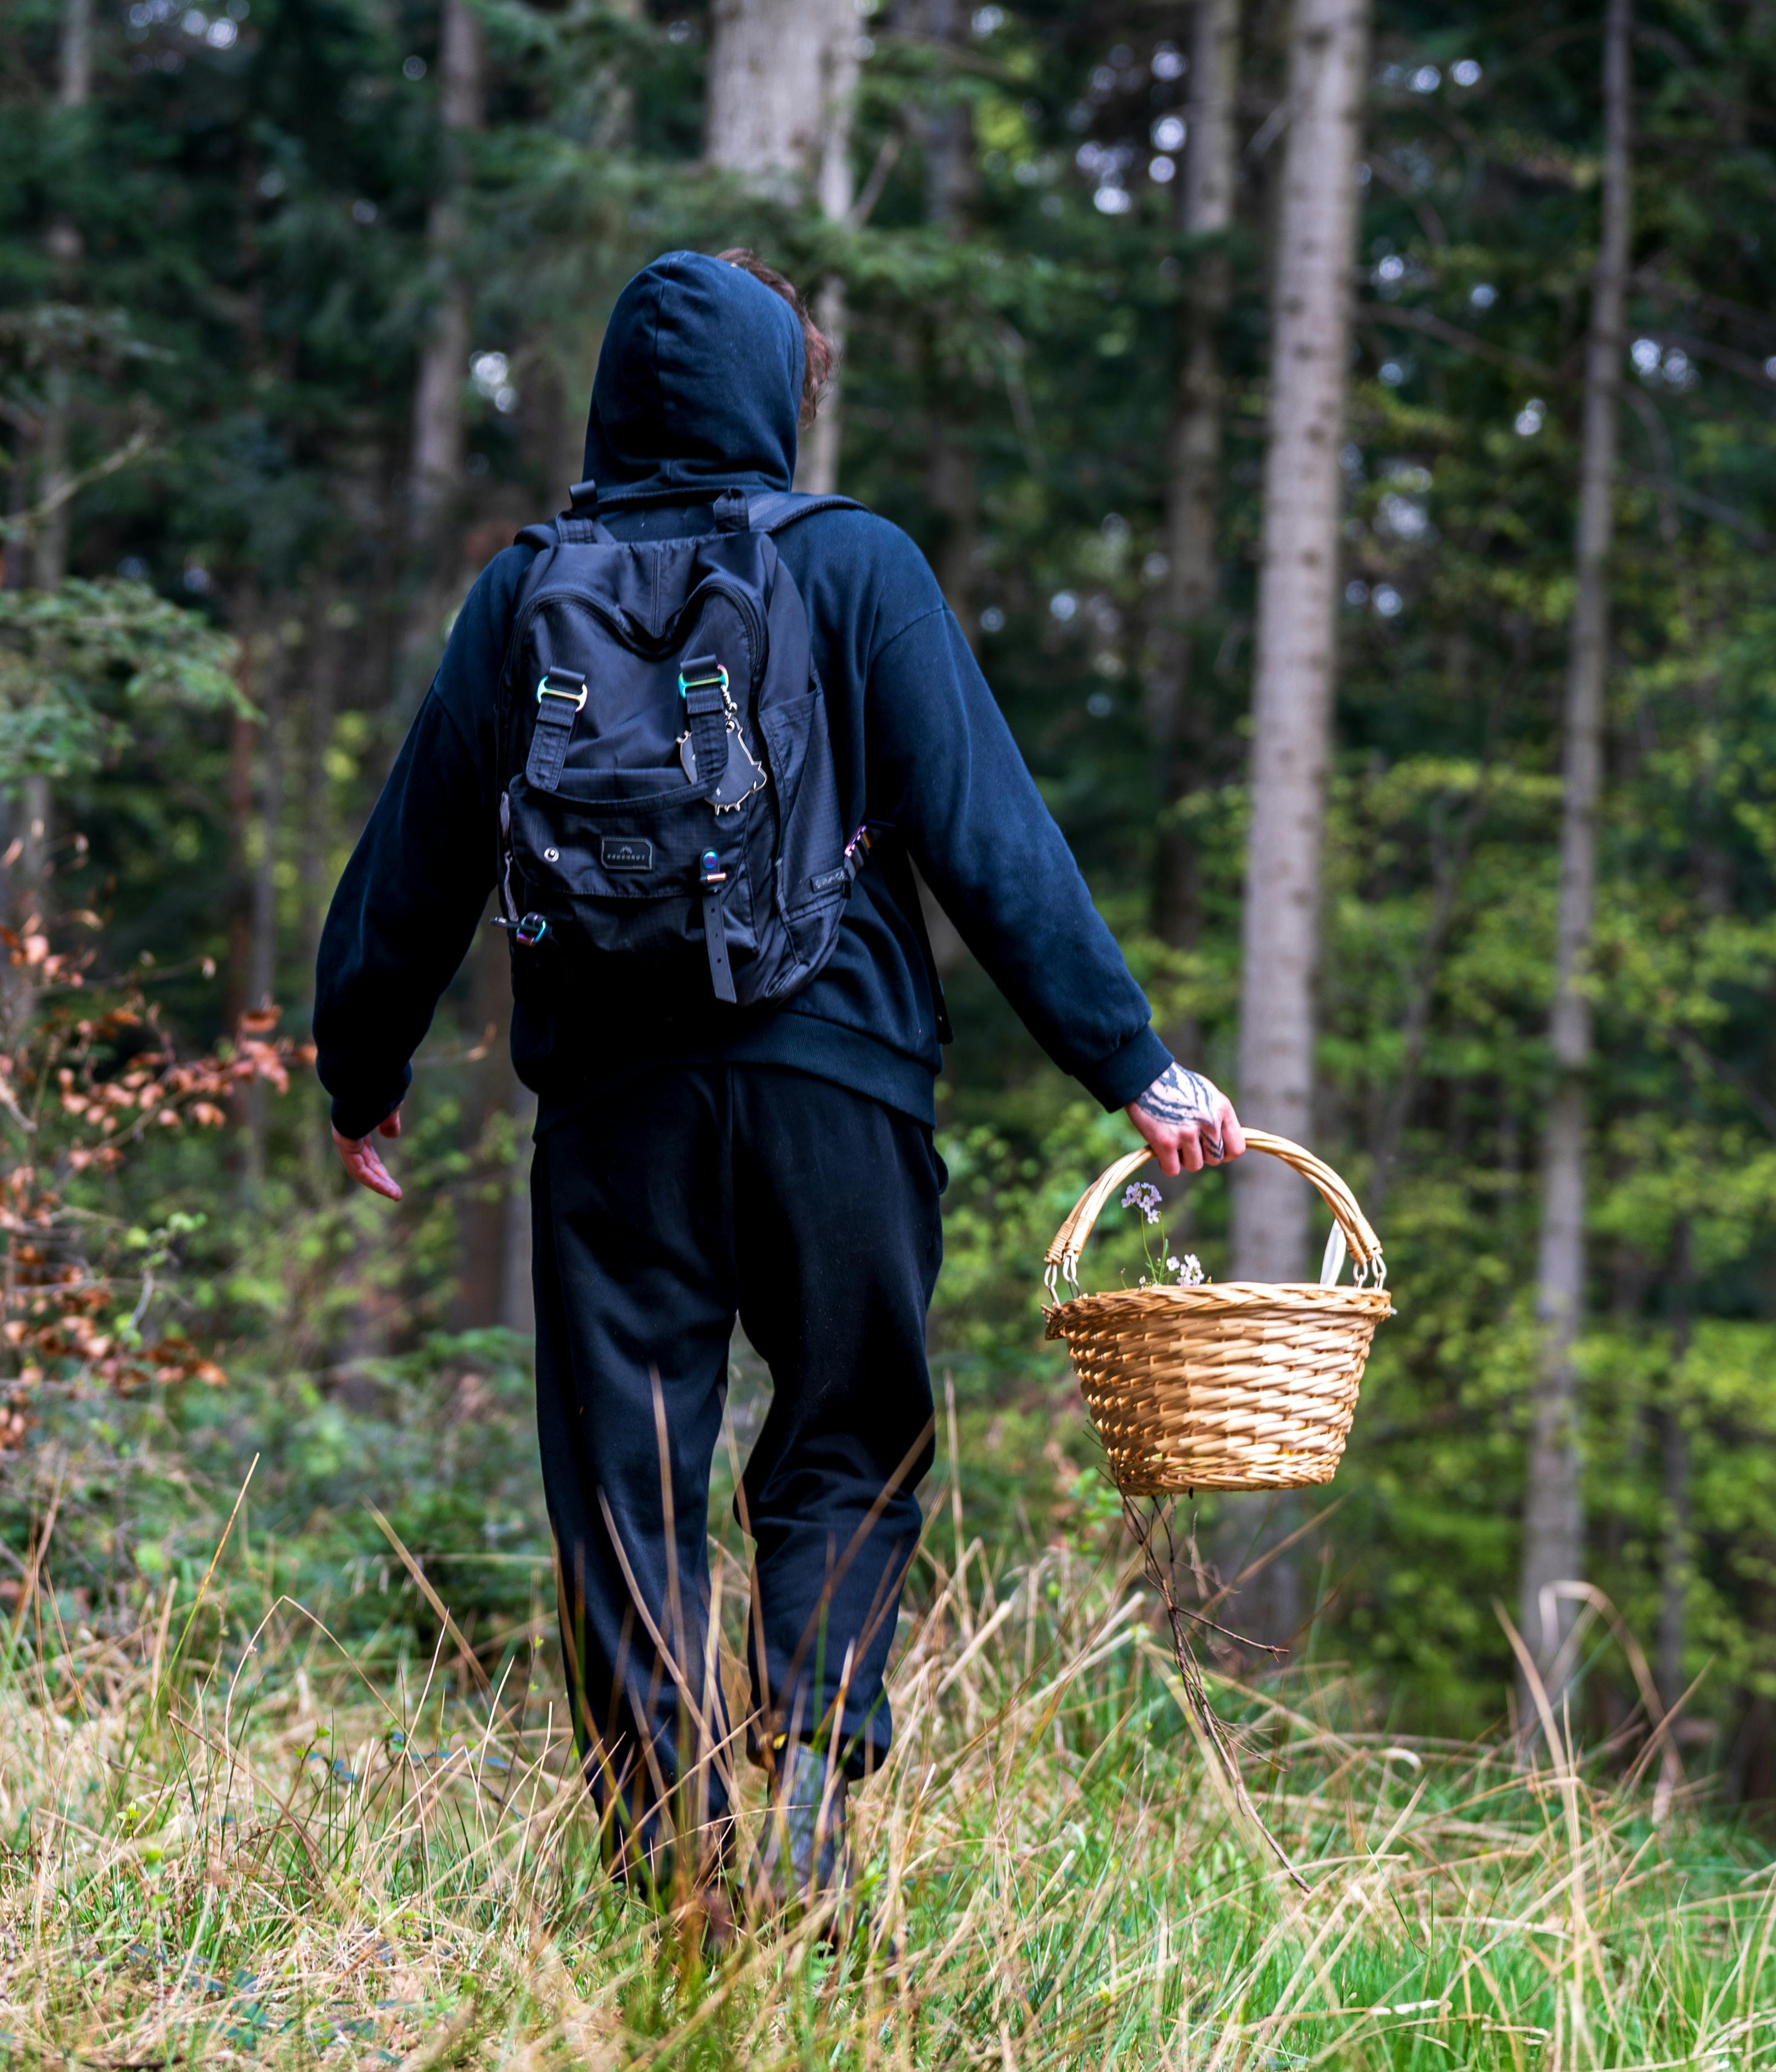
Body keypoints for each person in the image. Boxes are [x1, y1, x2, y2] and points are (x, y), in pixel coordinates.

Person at [310, 249, 1238, 1943]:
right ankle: (811, 1779)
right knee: (846, 1436)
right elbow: (986, 832)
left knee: (626, 1474)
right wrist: (1132, 1061)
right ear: (775, 392)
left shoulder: (525, 590)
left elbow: (414, 856)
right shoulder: (856, 564)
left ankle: (674, 1862)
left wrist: (357, 1065)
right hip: (842, 1084)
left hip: (615, 1111)